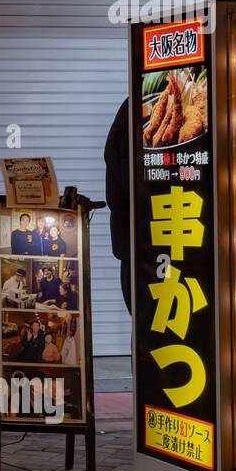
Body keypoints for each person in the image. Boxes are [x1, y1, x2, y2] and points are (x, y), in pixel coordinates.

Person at [104, 97, 132, 313]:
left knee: (146, 325)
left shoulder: (130, 109)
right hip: (144, 243)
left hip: (132, 245)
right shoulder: (135, 110)